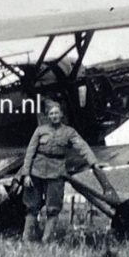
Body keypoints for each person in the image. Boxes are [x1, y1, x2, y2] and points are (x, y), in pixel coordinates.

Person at [21, 101, 100, 242]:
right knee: (32, 206)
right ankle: (25, 239)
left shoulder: (69, 132)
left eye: (56, 113)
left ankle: (46, 240)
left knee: (53, 209)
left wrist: (93, 162)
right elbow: (30, 152)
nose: (54, 116)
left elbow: (82, 146)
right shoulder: (40, 130)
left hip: (56, 173)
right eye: (51, 114)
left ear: (61, 115)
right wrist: (26, 174)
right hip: (36, 172)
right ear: (47, 116)